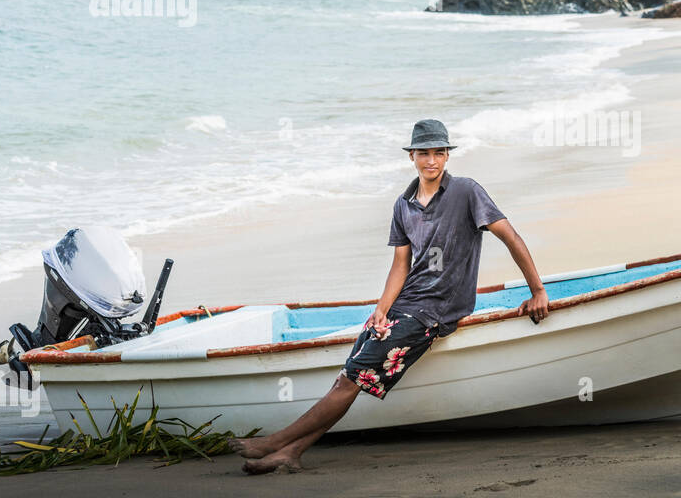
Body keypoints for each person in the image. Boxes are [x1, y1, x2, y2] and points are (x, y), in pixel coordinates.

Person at [231, 119, 551, 473]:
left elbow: (511, 237)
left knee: (353, 376)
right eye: (424, 153)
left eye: (439, 153)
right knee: (350, 375)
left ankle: (274, 442)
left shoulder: (466, 191)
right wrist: (381, 310)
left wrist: (537, 290)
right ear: (411, 156)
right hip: (406, 303)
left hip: (437, 310)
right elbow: (401, 265)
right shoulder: (404, 204)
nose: (432, 160)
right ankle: (291, 453)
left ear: (447, 156)